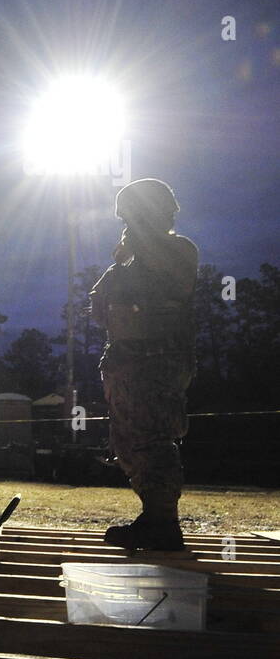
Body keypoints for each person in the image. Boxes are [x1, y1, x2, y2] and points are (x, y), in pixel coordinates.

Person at [89, 179, 198, 551]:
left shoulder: (178, 251)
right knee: (129, 441)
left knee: (152, 438)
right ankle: (154, 519)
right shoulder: (127, 264)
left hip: (156, 363)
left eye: (131, 219)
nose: (126, 227)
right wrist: (120, 270)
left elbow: (168, 287)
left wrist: (127, 262)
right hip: (127, 364)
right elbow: (100, 310)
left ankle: (163, 524)